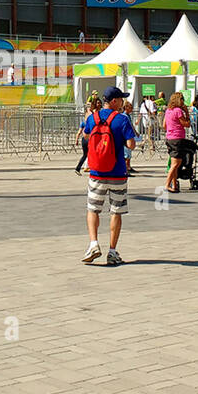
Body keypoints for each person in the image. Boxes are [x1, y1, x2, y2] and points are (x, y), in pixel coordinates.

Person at [82, 86, 138, 266]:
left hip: (97, 171)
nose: (123, 102)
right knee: (116, 211)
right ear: (114, 101)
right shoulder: (122, 119)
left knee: (93, 209)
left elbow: (86, 134)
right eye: (121, 99)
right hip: (117, 172)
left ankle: (93, 244)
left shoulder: (93, 118)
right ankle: (112, 251)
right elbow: (131, 145)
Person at [163, 91, 191, 193]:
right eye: (182, 99)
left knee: (176, 163)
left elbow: (164, 125)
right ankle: (167, 184)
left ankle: (175, 184)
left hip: (169, 138)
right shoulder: (178, 111)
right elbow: (186, 124)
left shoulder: (168, 111)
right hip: (177, 138)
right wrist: (187, 113)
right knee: (175, 164)